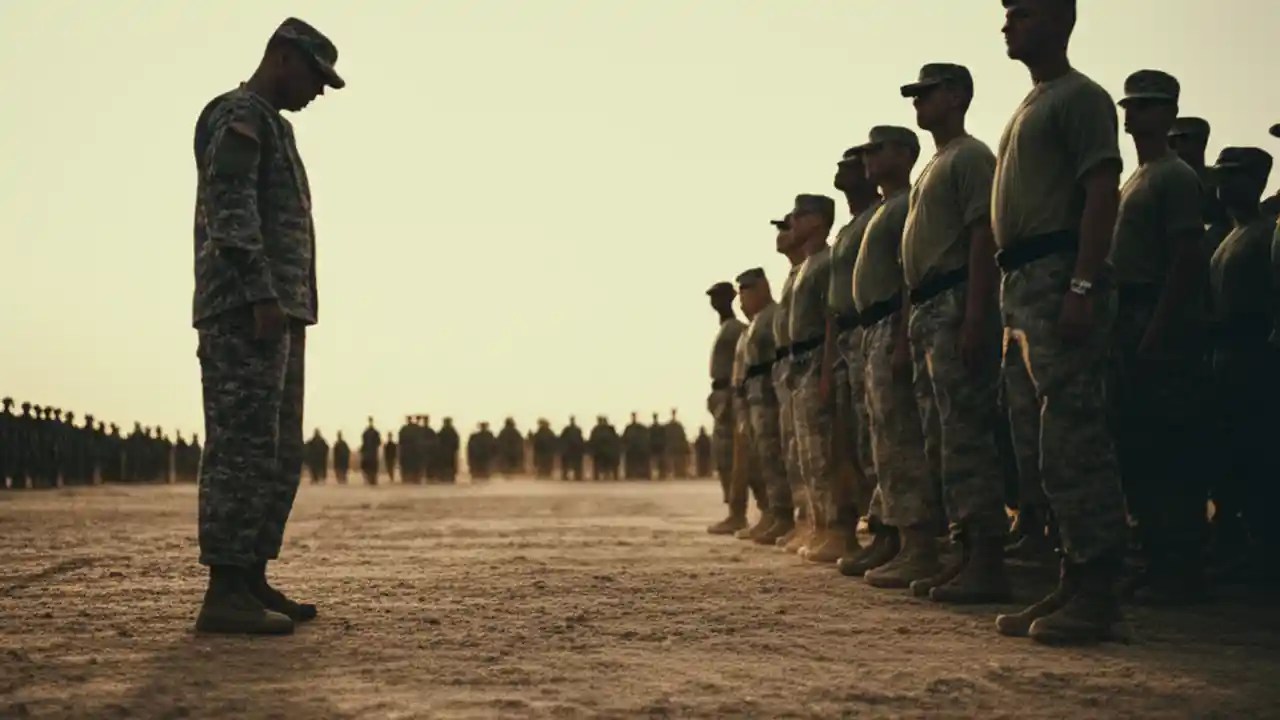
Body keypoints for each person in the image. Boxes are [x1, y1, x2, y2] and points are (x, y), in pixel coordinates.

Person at [190, 17, 343, 635]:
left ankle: (250, 576)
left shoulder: (275, 127)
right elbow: (230, 209)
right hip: (245, 308)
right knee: (242, 449)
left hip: (278, 311)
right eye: (314, 75)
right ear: (283, 58)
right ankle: (224, 591)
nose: (317, 92)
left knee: (277, 452)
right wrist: (258, 292)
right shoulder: (239, 116)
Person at [991, 0, 1128, 645]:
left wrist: (1081, 282)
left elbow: (1101, 190)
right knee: (1041, 444)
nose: (1006, 24)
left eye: (1020, 12)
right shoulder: (1029, 104)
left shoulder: (1082, 98)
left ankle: (1098, 590)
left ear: (1059, 18)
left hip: (1057, 273)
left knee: (1074, 435)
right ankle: (1072, 578)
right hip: (1022, 283)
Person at [898, 63, 1009, 603]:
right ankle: (963, 553)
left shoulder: (969, 156)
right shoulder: (934, 165)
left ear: (959, 96)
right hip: (929, 309)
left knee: (967, 434)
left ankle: (987, 559)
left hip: (954, 300)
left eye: (928, 93)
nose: (918, 101)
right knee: (943, 439)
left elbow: (982, 237)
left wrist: (976, 315)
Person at [1108, 70, 1210, 603]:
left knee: (1170, 446)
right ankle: (1155, 557)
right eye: (1130, 106)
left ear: (1169, 111)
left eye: (1146, 106)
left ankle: (1180, 569)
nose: (1134, 115)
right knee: (1139, 445)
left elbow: (1188, 256)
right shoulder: (1137, 177)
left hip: (1158, 317)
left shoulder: (1173, 177)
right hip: (1129, 316)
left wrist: (1158, 327)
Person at [850, 126, 940, 588]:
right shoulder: (887, 207)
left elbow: (910, 276)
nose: (868, 157)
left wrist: (904, 336)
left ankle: (921, 546)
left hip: (893, 325)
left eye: (876, 149)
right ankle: (898, 539)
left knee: (902, 441)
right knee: (884, 442)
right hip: (874, 331)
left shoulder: (907, 203)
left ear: (905, 154)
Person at [1207, 146, 1279, 587]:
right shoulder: (1229, 236)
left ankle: (1264, 551)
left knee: (1256, 455)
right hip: (1225, 355)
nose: (1223, 183)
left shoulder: (1262, 233)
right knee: (1230, 454)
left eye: (1233, 175)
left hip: (1252, 353)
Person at [825, 149, 891, 577]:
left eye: (852, 164)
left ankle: (893, 534)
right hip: (850, 335)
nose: (843, 169)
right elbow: (832, 304)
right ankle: (880, 532)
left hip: (874, 327)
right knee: (860, 443)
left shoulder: (880, 215)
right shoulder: (850, 229)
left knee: (883, 438)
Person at [786, 193, 854, 564]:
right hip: (801, 363)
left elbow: (832, 319)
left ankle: (839, 529)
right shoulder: (809, 265)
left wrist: (828, 369)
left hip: (818, 358)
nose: (792, 222)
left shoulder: (825, 262)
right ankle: (821, 525)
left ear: (817, 221)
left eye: (799, 215)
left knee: (826, 449)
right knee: (809, 453)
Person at [737, 268, 794, 545]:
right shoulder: (756, 322)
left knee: (776, 458)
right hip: (755, 398)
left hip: (770, 397)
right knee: (763, 460)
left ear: (762, 288)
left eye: (746, 291)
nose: (742, 299)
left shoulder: (772, 316)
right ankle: (771, 513)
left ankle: (784, 516)